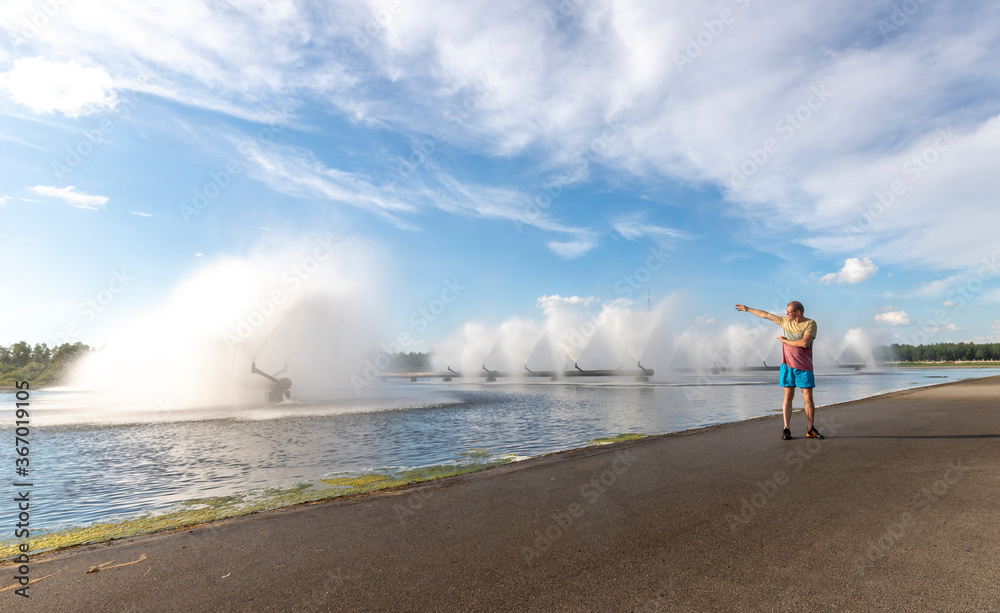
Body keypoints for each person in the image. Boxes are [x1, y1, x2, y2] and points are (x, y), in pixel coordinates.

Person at [734, 301, 823, 440]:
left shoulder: (810, 323)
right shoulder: (785, 321)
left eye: (789, 312)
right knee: (788, 396)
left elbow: (804, 343)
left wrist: (784, 341)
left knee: (808, 398)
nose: (786, 314)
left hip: (804, 367)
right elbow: (766, 315)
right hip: (787, 365)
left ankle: (810, 429)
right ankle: (786, 429)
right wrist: (747, 309)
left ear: (798, 312)